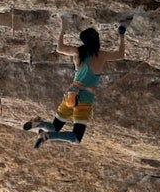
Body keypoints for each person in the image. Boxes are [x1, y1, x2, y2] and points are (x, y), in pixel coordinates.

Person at [24, 15, 127, 148]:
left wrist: (63, 25)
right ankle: (46, 133)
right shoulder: (102, 55)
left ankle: (40, 125)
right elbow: (120, 54)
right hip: (83, 99)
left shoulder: (78, 52)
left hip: (72, 95)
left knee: (55, 126)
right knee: (76, 137)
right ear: (97, 41)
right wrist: (122, 35)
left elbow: (60, 48)